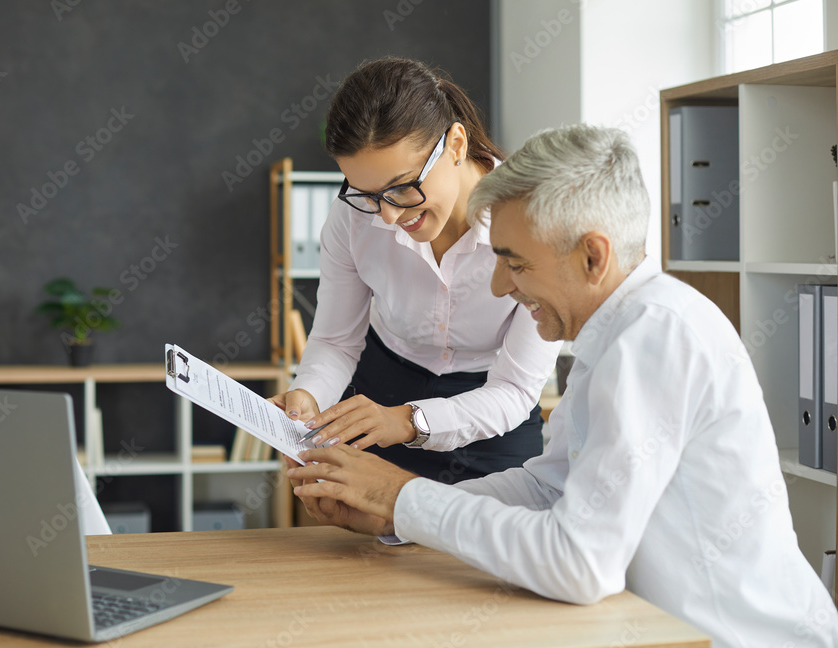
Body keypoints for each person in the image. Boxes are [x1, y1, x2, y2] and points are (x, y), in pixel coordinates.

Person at [285, 124, 838, 647]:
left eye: (515, 263)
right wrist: (392, 517)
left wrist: (398, 495)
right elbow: (547, 488)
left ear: (592, 256)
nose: (501, 286)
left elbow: (580, 564)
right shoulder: (615, 334)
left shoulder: (656, 337)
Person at [269, 57, 561, 483]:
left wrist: (409, 422)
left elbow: (515, 391)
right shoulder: (352, 218)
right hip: (378, 395)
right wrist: (308, 396)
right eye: (367, 194)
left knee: (489, 540)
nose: (386, 216)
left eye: (403, 186)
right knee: (364, 538)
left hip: (492, 408)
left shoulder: (531, 221)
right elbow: (335, 340)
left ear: (456, 145)